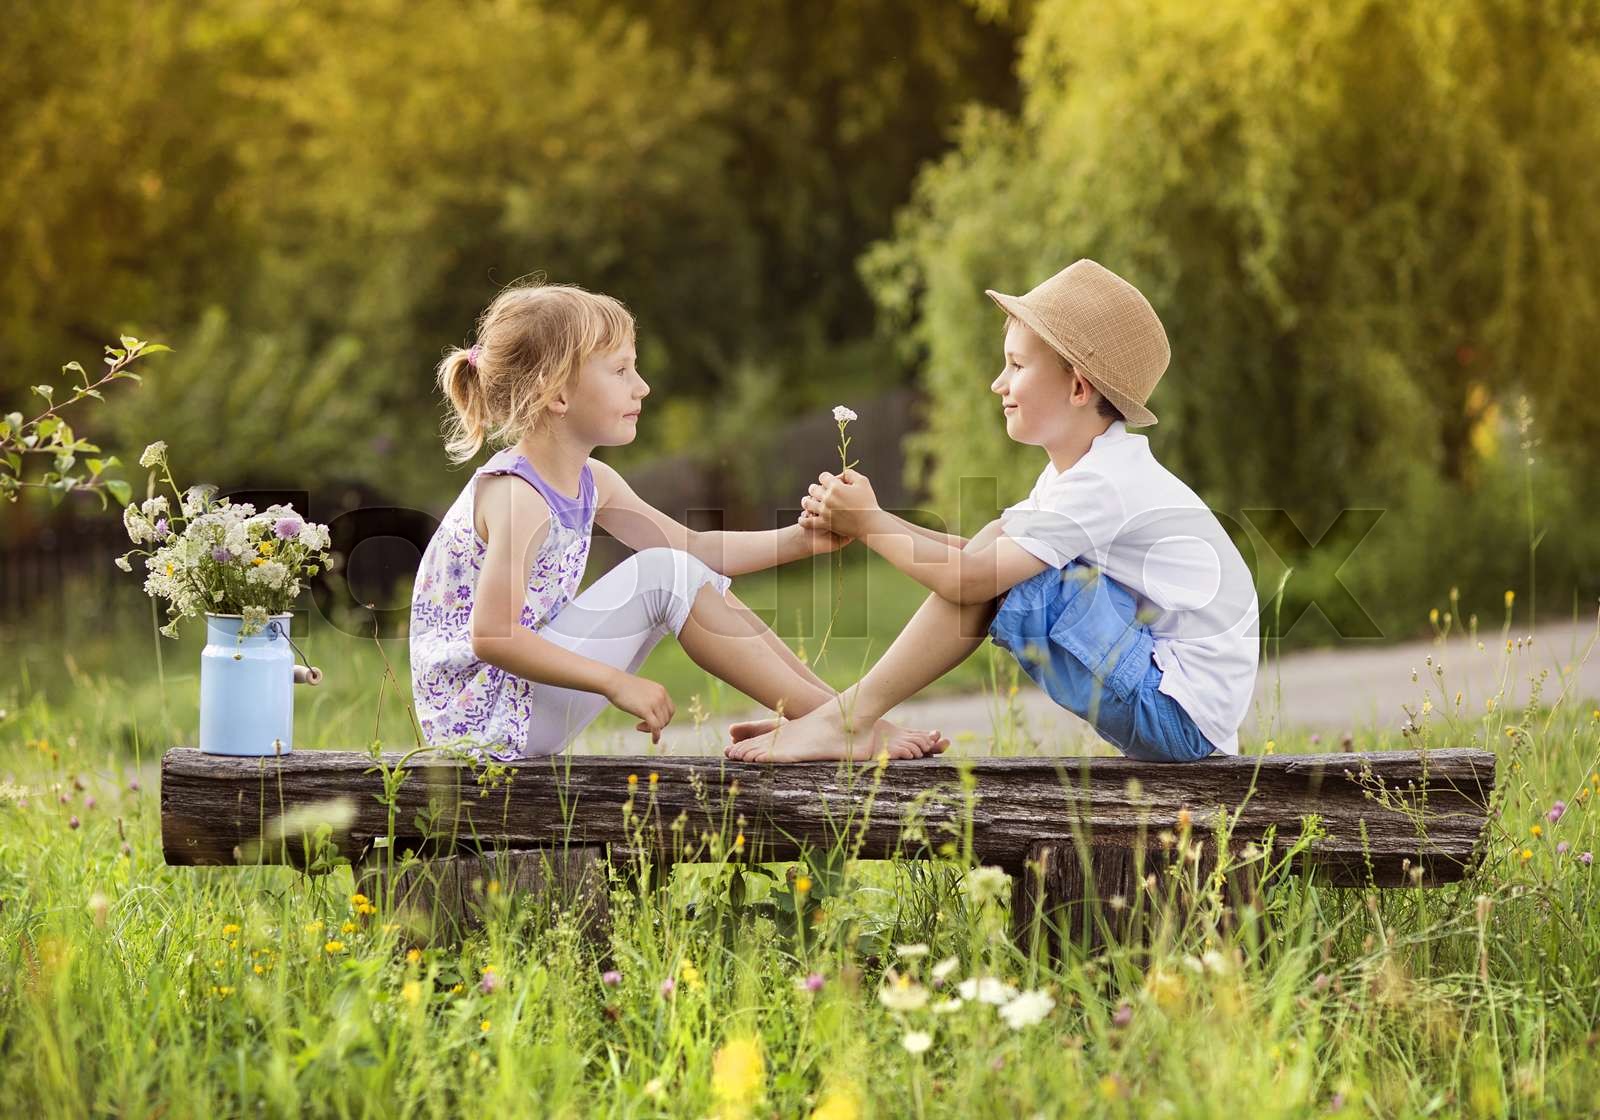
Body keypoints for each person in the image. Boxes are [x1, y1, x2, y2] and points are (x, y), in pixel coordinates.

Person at [726, 259, 1259, 763]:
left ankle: (846, 720)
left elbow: (975, 581)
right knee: (1000, 538)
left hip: (1175, 712)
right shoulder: (1087, 472)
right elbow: (976, 558)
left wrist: (870, 522)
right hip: (1171, 701)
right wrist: (871, 520)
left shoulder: (1103, 484)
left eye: (1017, 366)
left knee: (998, 577)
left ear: (1078, 386)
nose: (997, 383)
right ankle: (842, 717)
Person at [409, 279, 947, 761]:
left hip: (519, 706)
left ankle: (836, 719)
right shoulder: (515, 496)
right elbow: (493, 637)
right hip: (481, 721)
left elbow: (692, 549)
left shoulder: (592, 480)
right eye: (620, 371)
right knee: (662, 574)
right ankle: (842, 723)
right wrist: (613, 681)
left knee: (673, 569)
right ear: (556, 394)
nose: (641, 386)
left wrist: (800, 541)